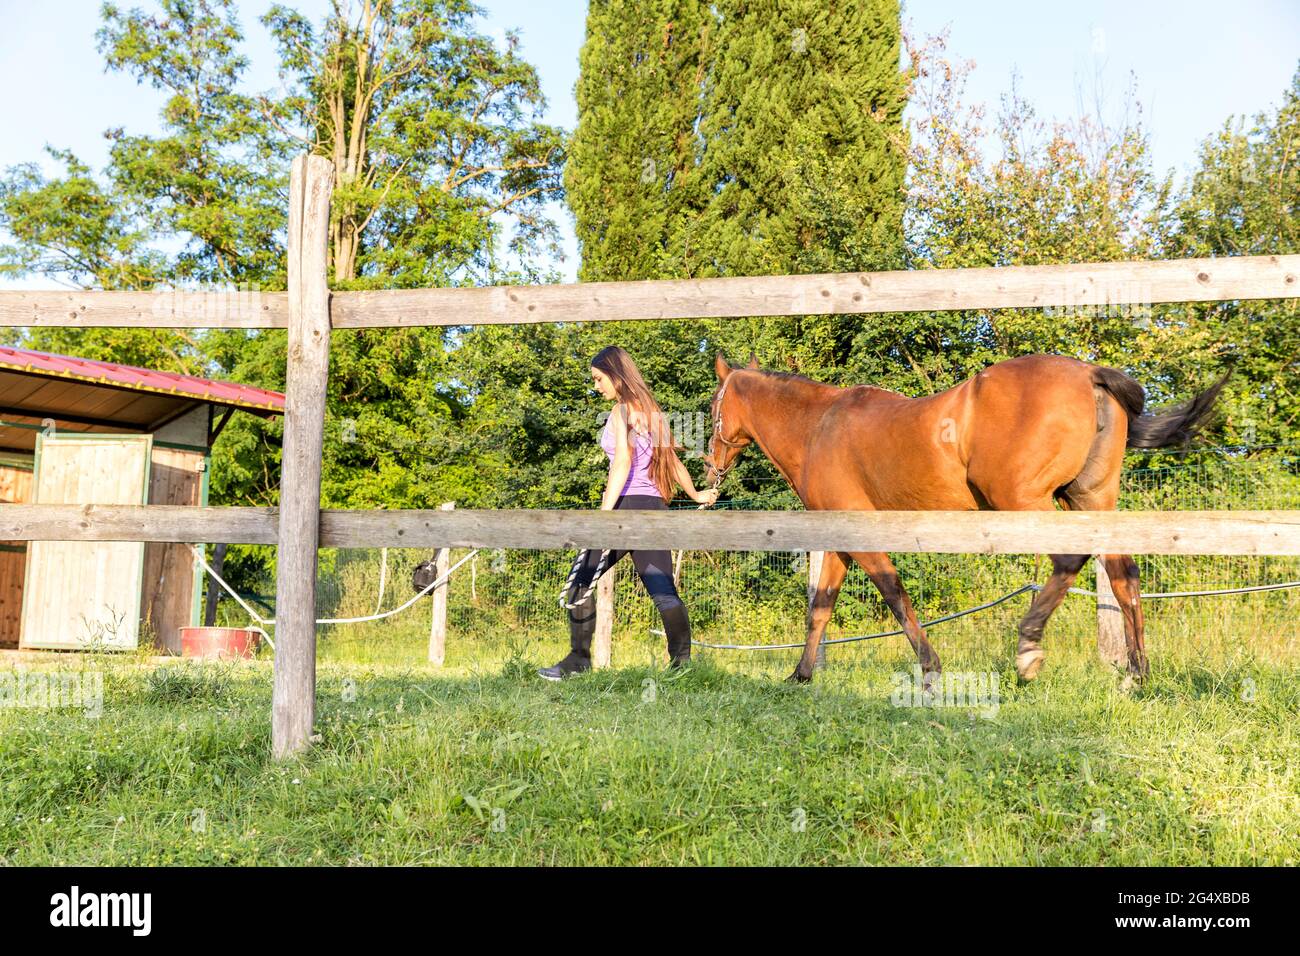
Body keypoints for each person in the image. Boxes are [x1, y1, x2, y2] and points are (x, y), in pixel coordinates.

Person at [538, 346, 720, 680]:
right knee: (662, 590)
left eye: (599, 378)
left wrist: (605, 514)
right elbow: (674, 463)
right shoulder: (651, 410)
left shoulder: (621, 411)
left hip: (625, 509)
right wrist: (695, 493)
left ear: (615, 374)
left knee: (580, 583)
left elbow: (622, 461)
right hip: (653, 511)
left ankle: (578, 661)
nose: (596, 386)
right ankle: (682, 667)